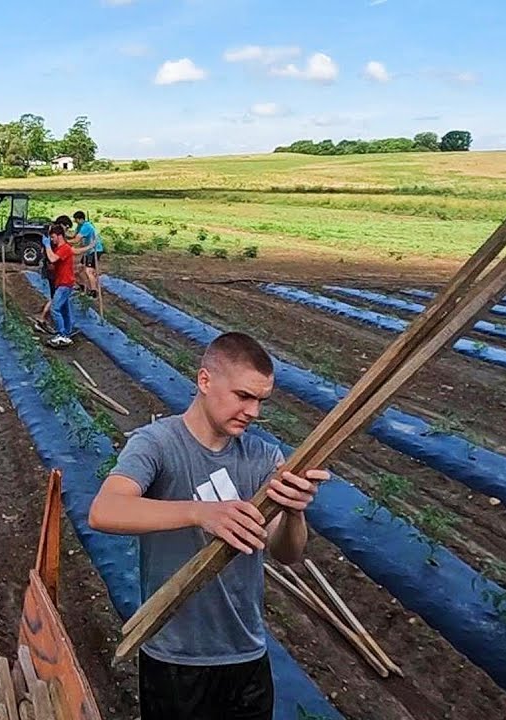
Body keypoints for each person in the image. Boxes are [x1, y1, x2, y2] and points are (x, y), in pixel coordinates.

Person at [88, 331, 330, 720]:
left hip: (246, 653)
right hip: (175, 658)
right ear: (205, 381)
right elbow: (105, 510)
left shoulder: (262, 456)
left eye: (261, 400)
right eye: (243, 396)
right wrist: (201, 513)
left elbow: (287, 553)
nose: (253, 412)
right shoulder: (158, 444)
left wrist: (294, 511)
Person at [44, 223, 88, 347]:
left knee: (55, 308)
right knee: (64, 309)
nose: (51, 240)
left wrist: (47, 245)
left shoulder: (64, 248)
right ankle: (67, 332)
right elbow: (53, 263)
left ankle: (61, 335)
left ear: (59, 236)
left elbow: (52, 259)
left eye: (52, 237)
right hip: (62, 282)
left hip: (65, 283)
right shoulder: (60, 249)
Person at [73, 210, 103, 297]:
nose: (75, 222)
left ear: (80, 219)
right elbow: (74, 236)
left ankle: (94, 291)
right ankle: (82, 286)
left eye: (76, 220)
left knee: (89, 271)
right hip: (88, 251)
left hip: (94, 250)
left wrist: (64, 241)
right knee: (79, 269)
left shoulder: (86, 226)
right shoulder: (80, 226)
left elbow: (76, 240)